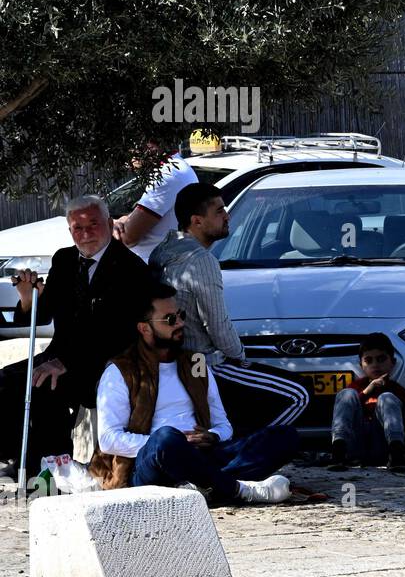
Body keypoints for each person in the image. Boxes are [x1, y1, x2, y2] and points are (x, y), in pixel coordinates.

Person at [92, 284, 299, 503]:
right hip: (151, 463)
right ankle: (238, 490)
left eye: (180, 315)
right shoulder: (120, 371)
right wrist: (176, 442)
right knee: (166, 438)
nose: (180, 323)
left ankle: (202, 487)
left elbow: (223, 424)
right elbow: (108, 439)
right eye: (170, 320)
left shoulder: (195, 362)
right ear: (145, 329)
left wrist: (213, 436)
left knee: (284, 436)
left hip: (202, 454)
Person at [2, 195, 153, 480]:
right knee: (7, 381)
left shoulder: (130, 269)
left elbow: (117, 332)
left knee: (47, 390)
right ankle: (22, 455)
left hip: (106, 361)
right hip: (59, 355)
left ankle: (51, 471)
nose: (85, 234)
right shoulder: (64, 260)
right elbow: (40, 316)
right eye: (77, 228)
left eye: (93, 225)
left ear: (109, 224)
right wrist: (26, 296)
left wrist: (66, 363)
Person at [151, 182, 310, 435]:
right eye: (219, 211)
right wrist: (240, 356)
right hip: (205, 365)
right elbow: (217, 325)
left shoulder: (162, 252)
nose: (227, 216)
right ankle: (240, 451)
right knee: (298, 394)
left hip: (181, 364)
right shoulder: (200, 260)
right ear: (197, 221)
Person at [330, 333, 405, 471]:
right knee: (345, 394)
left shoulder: (398, 392)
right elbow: (346, 411)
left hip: (383, 447)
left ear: (392, 362)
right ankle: (338, 451)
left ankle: (396, 455)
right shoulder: (355, 387)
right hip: (354, 446)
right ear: (361, 365)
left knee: (387, 397)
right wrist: (367, 391)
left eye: (381, 359)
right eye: (369, 361)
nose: (375, 365)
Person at [114, 142, 200, 263]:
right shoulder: (174, 167)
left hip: (152, 268)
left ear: (150, 144)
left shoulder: (168, 174)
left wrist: (113, 225)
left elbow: (128, 237)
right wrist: (123, 219)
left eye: (133, 146)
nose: (130, 155)